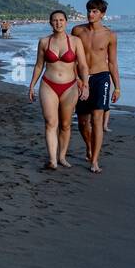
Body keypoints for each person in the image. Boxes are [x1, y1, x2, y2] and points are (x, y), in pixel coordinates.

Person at [29, 10, 91, 170]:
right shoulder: (44, 42)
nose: (58, 23)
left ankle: (62, 156)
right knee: (50, 122)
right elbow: (38, 65)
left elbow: (83, 65)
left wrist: (85, 84)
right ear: (50, 23)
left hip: (70, 86)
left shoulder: (75, 41)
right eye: (55, 20)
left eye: (61, 20)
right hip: (48, 84)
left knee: (65, 124)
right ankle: (52, 160)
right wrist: (31, 85)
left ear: (66, 22)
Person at [72, 0, 120, 173]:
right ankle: (89, 146)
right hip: (82, 79)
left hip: (101, 77)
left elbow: (113, 63)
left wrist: (118, 86)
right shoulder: (77, 31)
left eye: (94, 11)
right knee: (83, 122)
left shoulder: (110, 35)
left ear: (102, 14)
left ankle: (95, 160)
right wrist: (76, 78)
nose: (90, 14)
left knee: (98, 120)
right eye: (89, 11)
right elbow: (71, 58)